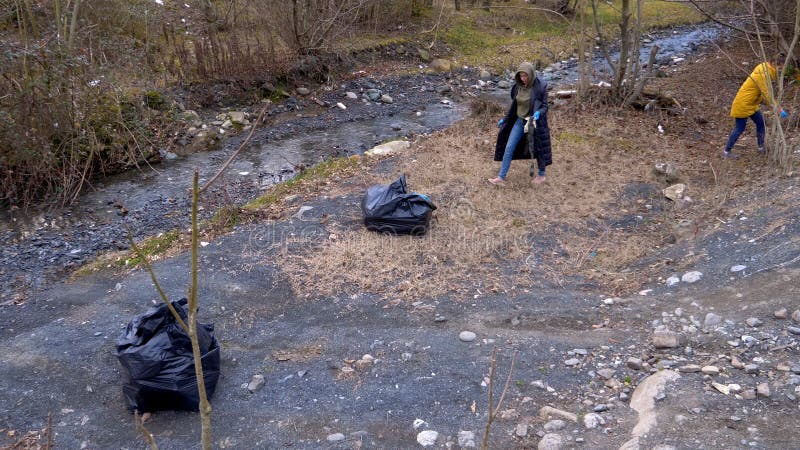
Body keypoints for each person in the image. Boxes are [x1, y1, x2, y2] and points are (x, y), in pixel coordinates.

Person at [489, 61, 552, 185]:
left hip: (534, 122)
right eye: (521, 76)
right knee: (509, 147)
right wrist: (505, 120)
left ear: (531, 74)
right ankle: (501, 177)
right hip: (520, 121)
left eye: (525, 75)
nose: (523, 78)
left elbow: (545, 106)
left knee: (539, 148)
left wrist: (539, 113)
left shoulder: (540, 87)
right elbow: (514, 106)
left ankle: (541, 175)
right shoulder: (517, 87)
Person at [723, 61, 788, 159]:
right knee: (739, 128)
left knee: (761, 123)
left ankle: (761, 147)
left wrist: (770, 104)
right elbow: (767, 95)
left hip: (751, 104)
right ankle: (726, 152)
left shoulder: (766, 70)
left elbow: (762, 94)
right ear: (774, 64)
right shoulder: (763, 74)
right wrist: (778, 109)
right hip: (742, 104)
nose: (780, 71)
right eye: (780, 68)